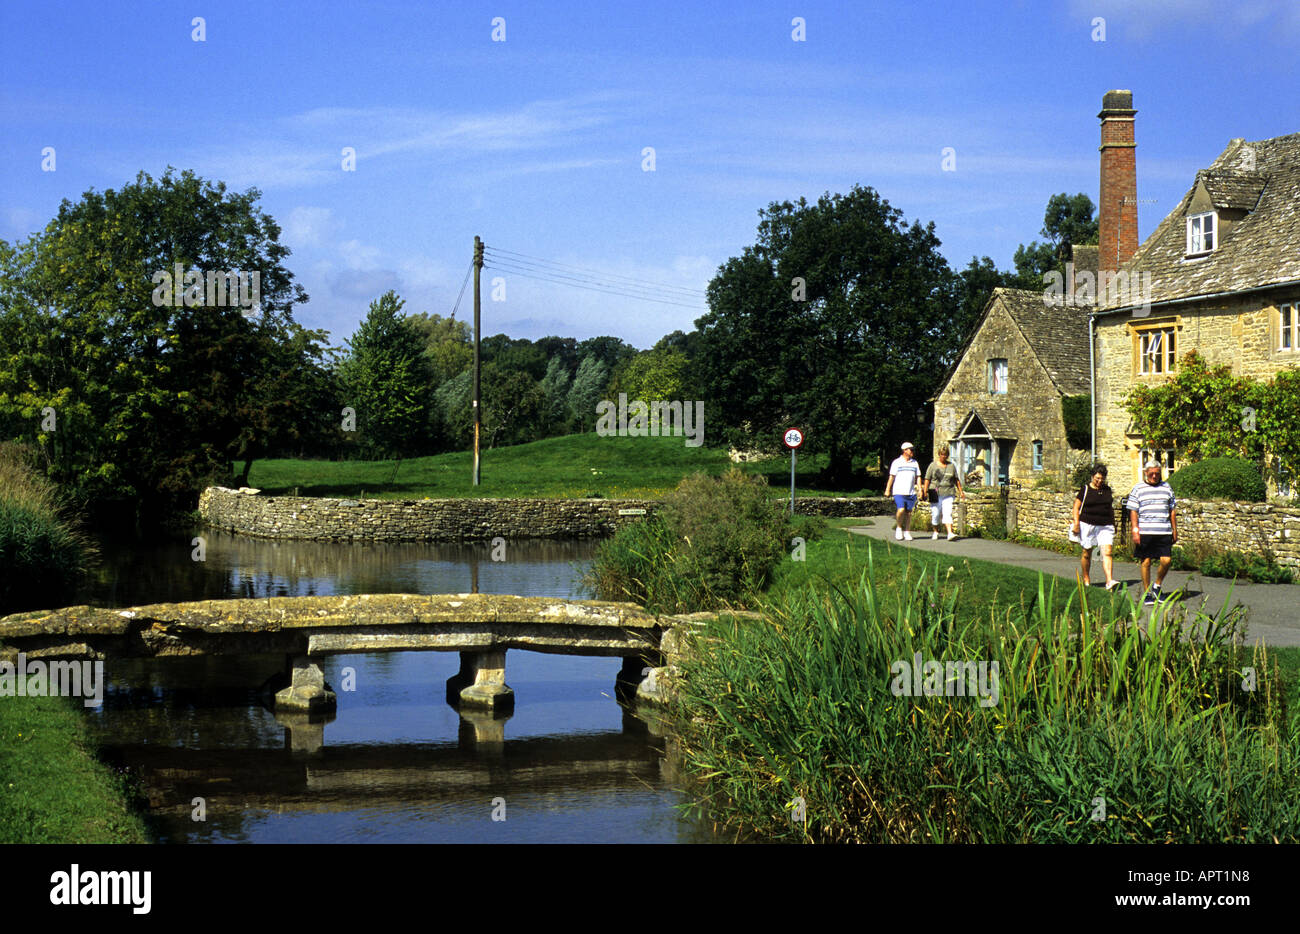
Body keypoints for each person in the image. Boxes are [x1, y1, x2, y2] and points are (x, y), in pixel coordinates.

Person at [1128, 461, 1178, 605]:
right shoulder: (1138, 488)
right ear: (1146, 473)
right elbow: (1133, 511)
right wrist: (1135, 531)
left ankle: (1157, 586)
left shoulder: (1167, 487)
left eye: (1157, 473)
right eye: (1152, 474)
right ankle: (1147, 593)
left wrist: (1174, 530)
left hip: (1164, 530)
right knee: (1146, 561)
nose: (1155, 476)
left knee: (1166, 560)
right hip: (1146, 531)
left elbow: (1172, 510)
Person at [1072, 463, 1119, 590]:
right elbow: (1076, 507)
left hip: (1105, 525)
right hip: (1087, 524)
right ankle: (1086, 577)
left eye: (1101, 479)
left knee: (1107, 552)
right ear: (1092, 477)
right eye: (1097, 478)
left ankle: (1109, 580)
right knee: (1087, 553)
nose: (1099, 481)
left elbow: (1110, 509)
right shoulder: (1085, 489)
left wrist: (1113, 524)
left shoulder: (1107, 490)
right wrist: (1076, 524)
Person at [921, 445, 965, 541]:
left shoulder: (951, 466)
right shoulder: (932, 466)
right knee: (936, 514)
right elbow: (927, 479)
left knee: (947, 513)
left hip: (948, 492)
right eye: (942, 455)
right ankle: (936, 531)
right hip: (934, 492)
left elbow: (956, 480)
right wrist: (924, 491)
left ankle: (950, 533)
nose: (944, 457)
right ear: (939, 455)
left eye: (945, 455)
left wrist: (961, 491)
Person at [885, 442, 922, 541]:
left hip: (911, 492)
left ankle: (907, 531)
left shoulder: (914, 463)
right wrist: (887, 489)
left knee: (909, 513)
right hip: (899, 491)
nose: (912, 451)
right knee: (901, 510)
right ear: (905, 450)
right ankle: (899, 528)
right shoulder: (896, 462)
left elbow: (918, 477)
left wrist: (920, 489)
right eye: (911, 449)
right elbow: (891, 477)